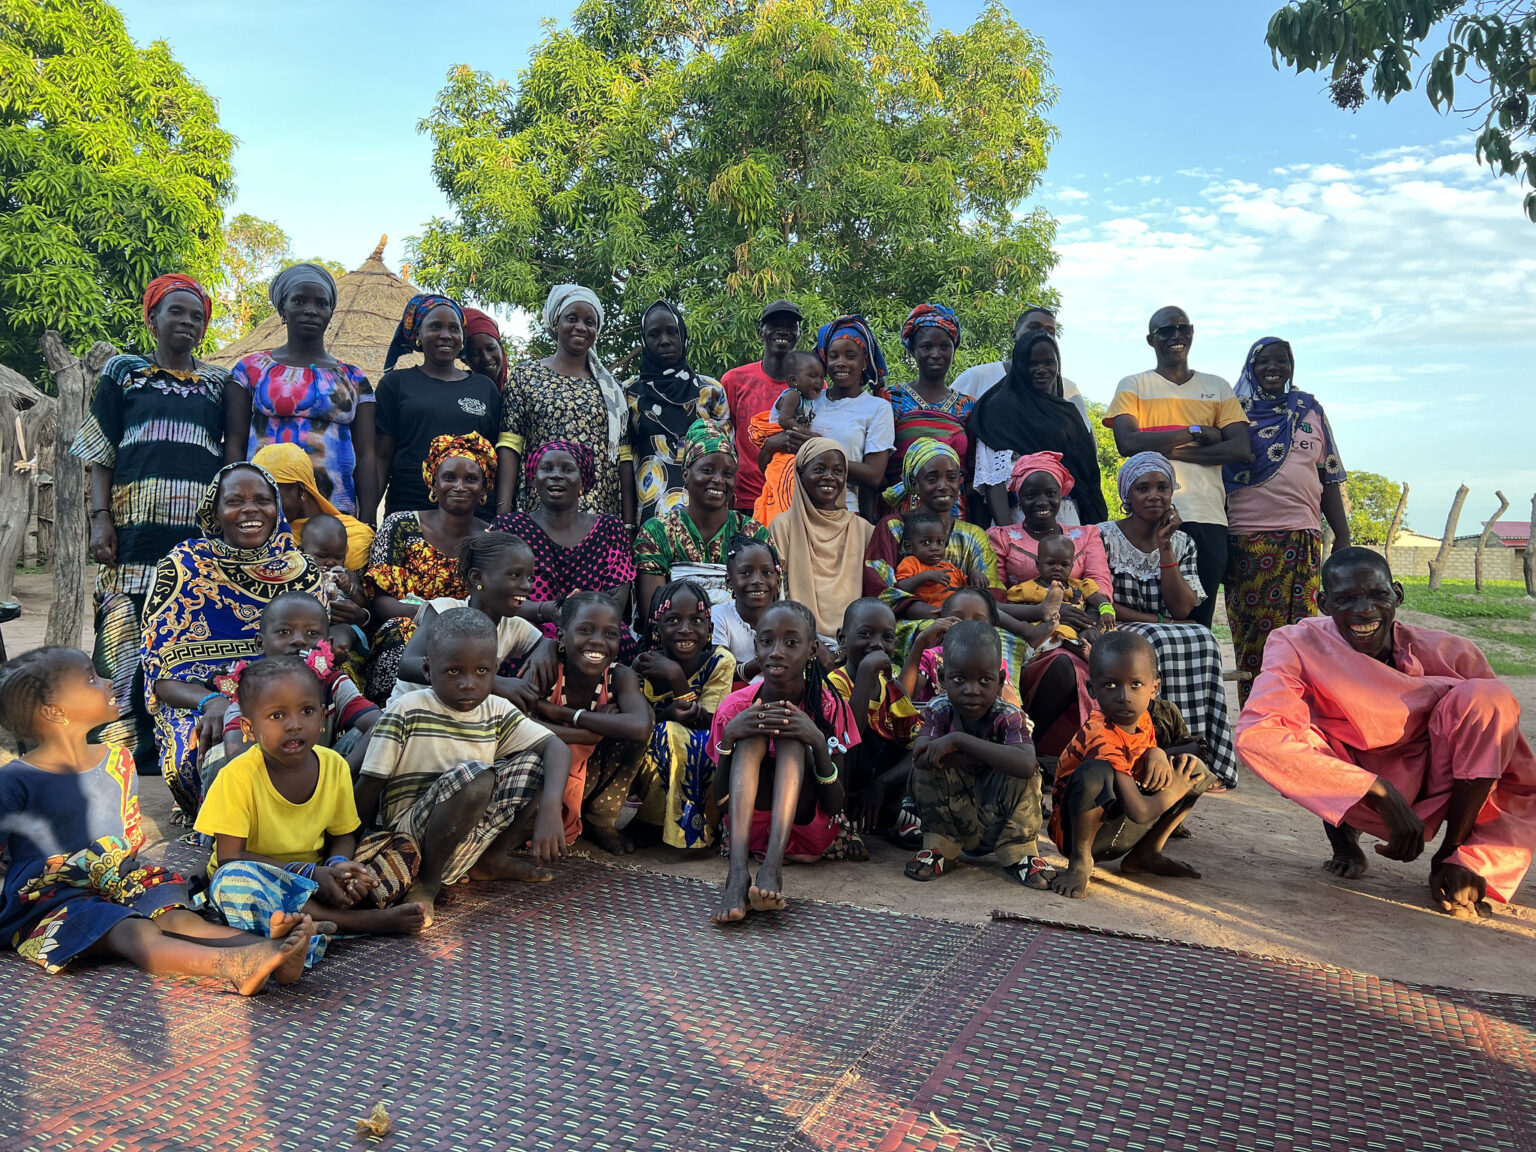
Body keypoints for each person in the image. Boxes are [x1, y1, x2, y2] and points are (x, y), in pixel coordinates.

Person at [1235, 548, 1536, 917]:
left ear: (1398, 594)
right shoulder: (1296, 643)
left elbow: (1503, 758)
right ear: (1323, 602)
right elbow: (1259, 733)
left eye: (1377, 594)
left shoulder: (1454, 652)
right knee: (1290, 728)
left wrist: (1463, 855)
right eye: (1345, 599)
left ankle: (1451, 855)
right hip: (1354, 778)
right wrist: (1376, 790)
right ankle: (1343, 830)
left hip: (1434, 778)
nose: (1363, 610)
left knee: (1490, 699)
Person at [0, 646, 318, 992]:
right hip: (53, 901)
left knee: (176, 915)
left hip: (120, 879)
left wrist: (125, 870)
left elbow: (128, 837)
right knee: (134, 932)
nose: (108, 683)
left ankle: (272, 952)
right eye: (92, 679)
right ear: (55, 711)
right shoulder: (15, 779)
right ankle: (232, 965)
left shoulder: (117, 759)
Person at [72, 273, 231, 762]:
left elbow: (228, 455)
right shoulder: (124, 372)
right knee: (123, 625)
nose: (187, 322)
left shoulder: (218, 383)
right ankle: (118, 742)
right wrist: (101, 518)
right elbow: (101, 450)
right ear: (153, 318)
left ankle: (167, 744)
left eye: (197, 316)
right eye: (176, 312)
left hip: (194, 533)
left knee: (182, 631)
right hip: (133, 527)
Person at [197, 658, 425, 962]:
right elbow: (230, 856)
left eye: (306, 711)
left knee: (403, 846)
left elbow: (344, 834)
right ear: (249, 729)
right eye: (277, 715)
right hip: (265, 876)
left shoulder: (334, 766)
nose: (294, 724)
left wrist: (341, 867)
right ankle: (358, 922)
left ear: (322, 717)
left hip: (322, 873)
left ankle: (317, 919)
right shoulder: (237, 776)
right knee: (233, 882)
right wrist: (309, 875)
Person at [356, 607, 573, 926]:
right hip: (407, 844)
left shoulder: (496, 709)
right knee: (476, 778)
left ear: (495, 668)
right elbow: (368, 788)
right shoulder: (407, 711)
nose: (469, 684)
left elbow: (556, 747)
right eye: (454, 672)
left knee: (538, 761)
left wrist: (551, 808)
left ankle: (491, 859)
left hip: (462, 842)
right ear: (428, 670)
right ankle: (426, 885)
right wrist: (345, 853)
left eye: (482, 671)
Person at [140, 463, 322, 819]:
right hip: (201, 697)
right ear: (216, 512)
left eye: (263, 500)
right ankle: (227, 832)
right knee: (195, 750)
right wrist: (212, 701)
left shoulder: (302, 571)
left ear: (277, 508)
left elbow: (318, 655)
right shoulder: (183, 567)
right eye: (235, 501)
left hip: (289, 694)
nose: (250, 510)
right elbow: (160, 673)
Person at [709, 601, 865, 924]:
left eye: (791, 643)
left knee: (792, 734)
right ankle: (737, 875)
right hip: (748, 832)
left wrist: (817, 742)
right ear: (755, 647)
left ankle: (772, 869)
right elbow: (721, 802)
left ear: (811, 651)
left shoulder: (831, 707)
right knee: (751, 731)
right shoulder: (734, 707)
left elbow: (836, 803)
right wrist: (730, 738)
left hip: (811, 828)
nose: (776, 652)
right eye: (767, 642)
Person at [1223, 337, 1350, 705]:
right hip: (1248, 541)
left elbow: (1327, 474)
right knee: (1255, 636)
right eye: (1264, 362)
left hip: (1303, 538)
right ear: (1251, 367)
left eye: (1282, 361)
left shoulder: (1309, 409)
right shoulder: (1234, 411)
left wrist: (1342, 535)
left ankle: (1298, 716)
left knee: (1304, 633)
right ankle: (1258, 714)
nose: (1273, 368)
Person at [1099, 453, 1240, 788]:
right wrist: (1156, 619)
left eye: (1162, 487)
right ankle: (1158, 749)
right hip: (1117, 628)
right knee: (1156, 639)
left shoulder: (1182, 541)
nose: (1154, 495)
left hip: (1163, 626)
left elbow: (1182, 610)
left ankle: (1197, 757)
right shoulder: (1103, 536)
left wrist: (1165, 549)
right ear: (1126, 496)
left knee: (1203, 637)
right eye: (1143, 488)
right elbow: (1104, 602)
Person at [1106, 306, 1250, 628]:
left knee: (1198, 621)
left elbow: (1240, 447)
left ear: (1192, 332)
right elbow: (1127, 443)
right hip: (1150, 520)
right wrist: (1195, 432)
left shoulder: (1218, 387)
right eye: (1165, 331)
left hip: (1208, 516)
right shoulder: (1134, 385)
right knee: (1151, 619)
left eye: (1181, 328)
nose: (1175, 336)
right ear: (1150, 339)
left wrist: (1172, 451)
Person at [1048, 630, 1213, 900]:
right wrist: (1174, 789)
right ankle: (1080, 862)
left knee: (1192, 768)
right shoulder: (1100, 734)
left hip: (1120, 821)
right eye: (1111, 685)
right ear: (1092, 689)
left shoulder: (1143, 717)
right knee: (1094, 772)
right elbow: (1139, 812)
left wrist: (1156, 751)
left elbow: (1142, 752)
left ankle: (1146, 854)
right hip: (1080, 831)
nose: (1124, 696)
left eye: (1135, 685)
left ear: (1153, 688)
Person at [904, 621, 1053, 887]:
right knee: (922, 768)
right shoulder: (940, 709)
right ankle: (939, 846)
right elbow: (921, 755)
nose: (972, 690)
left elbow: (1025, 764)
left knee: (1029, 774)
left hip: (1001, 818)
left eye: (985, 680)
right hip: (953, 816)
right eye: (959, 679)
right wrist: (987, 756)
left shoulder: (1009, 716)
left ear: (999, 681)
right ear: (942, 677)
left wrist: (958, 740)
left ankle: (1020, 852)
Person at [228, 263, 378, 519]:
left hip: (334, 512)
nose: (311, 310)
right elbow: (234, 443)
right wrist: (233, 503)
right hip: (262, 510)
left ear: (331, 312)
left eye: (321, 304)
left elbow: (366, 454)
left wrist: (368, 520)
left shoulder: (354, 377)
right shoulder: (251, 368)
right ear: (282, 309)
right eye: (299, 301)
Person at [986, 452, 1111, 757]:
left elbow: (1099, 585)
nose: (1041, 501)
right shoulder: (1000, 537)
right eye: (1030, 494)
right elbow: (994, 601)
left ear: (1062, 494)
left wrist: (1090, 625)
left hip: (1084, 627)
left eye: (1050, 493)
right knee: (1065, 666)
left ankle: (1107, 749)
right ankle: (1032, 743)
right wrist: (1046, 613)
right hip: (1025, 628)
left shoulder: (1086, 535)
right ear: (1018, 495)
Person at [363, 434, 494, 702]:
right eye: (449, 478)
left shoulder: (492, 540)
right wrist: (438, 618)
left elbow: (494, 600)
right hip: (409, 626)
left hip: (472, 635)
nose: (459, 486)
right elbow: (381, 602)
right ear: (433, 482)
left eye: (471, 479)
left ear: (484, 488)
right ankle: (391, 713)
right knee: (400, 631)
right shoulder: (401, 525)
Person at [527, 593, 652, 854]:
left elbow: (640, 725)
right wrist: (587, 735)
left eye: (610, 634)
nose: (597, 641)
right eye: (585, 630)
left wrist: (567, 715)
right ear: (561, 636)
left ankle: (601, 821)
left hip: (589, 779)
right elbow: (518, 724)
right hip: (544, 782)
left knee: (644, 717)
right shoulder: (547, 670)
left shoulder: (619, 676)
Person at [497, 284, 632, 523]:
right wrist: (504, 512)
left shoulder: (612, 389)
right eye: (572, 318)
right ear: (555, 323)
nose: (581, 327)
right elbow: (510, 446)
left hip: (597, 511)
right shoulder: (526, 376)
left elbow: (623, 457)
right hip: (539, 508)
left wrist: (628, 523)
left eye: (590, 322)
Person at [387, 532, 554, 711]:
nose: (527, 586)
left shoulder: (514, 626)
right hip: (410, 715)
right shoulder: (445, 609)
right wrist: (495, 683)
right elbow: (407, 664)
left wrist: (548, 644)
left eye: (530, 577)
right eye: (515, 575)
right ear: (477, 577)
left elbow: (552, 645)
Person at [215, 592, 380, 773]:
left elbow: (378, 723)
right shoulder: (250, 689)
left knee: (373, 733)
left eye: (312, 633)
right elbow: (239, 756)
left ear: (328, 644)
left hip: (323, 777)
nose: (299, 640)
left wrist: (340, 778)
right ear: (260, 643)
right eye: (284, 632)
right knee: (217, 758)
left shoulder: (332, 682)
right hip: (264, 784)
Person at [375, 293, 506, 518]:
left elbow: (497, 458)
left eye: (454, 329)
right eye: (436, 326)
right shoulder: (395, 384)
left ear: (462, 337)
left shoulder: (484, 388)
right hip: (411, 511)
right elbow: (381, 456)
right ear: (418, 334)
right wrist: (367, 515)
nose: (446, 335)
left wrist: (501, 513)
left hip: (475, 517)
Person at [631, 580, 737, 848]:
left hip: (707, 756)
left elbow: (709, 721)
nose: (685, 630)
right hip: (656, 758)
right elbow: (636, 718)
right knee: (663, 733)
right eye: (673, 620)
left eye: (696, 620)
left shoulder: (720, 661)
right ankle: (652, 821)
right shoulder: (644, 665)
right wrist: (667, 713)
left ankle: (698, 825)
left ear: (710, 629)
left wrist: (677, 678)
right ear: (656, 628)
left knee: (688, 738)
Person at [494, 440, 636, 636]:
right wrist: (546, 611)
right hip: (526, 632)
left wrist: (576, 624)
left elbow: (614, 604)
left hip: (594, 631)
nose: (556, 475)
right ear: (533, 479)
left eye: (568, 469)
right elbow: (497, 596)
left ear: (582, 480)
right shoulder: (510, 527)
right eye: (546, 468)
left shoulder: (610, 529)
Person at [634, 420, 769, 627]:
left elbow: (766, 611)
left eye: (728, 474)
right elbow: (653, 618)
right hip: (676, 646)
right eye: (707, 470)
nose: (718, 480)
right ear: (685, 475)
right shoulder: (658, 533)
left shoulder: (753, 533)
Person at [970, 329, 1107, 529]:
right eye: (1033, 363)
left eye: (1049, 362)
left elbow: (1087, 479)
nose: (1042, 369)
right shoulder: (998, 410)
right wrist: (1011, 539)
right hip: (1017, 521)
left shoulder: (1067, 414)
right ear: (1019, 365)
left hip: (1068, 520)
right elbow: (994, 482)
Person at [865, 439, 1003, 623]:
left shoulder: (974, 535)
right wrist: (941, 616)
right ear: (914, 484)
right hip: (914, 622)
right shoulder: (893, 527)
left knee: (1006, 645)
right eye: (932, 479)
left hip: (971, 620)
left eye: (951, 478)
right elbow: (881, 589)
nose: (943, 485)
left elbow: (991, 590)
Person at [626, 300, 730, 524]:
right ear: (644, 340)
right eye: (654, 334)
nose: (665, 341)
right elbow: (624, 459)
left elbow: (728, 458)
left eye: (672, 332)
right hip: (650, 514)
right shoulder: (630, 394)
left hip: (705, 514)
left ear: (683, 335)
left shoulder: (710, 390)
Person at [827, 599, 922, 841]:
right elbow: (847, 737)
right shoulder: (832, 684)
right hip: (845, 785)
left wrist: (881, 783)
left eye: (887, 637)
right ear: (842, 639)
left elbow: (919, 744)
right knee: (849, 744)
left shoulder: (891, 689)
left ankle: (890, 815)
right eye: (866, 634)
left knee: (921, 744)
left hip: (876, 786)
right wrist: (867, 671)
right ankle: (843, 822)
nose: (877, 644)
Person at [768, 439, 873, 649]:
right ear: (800, 474)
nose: (829, 477)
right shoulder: (783, 525)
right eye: (819, 469)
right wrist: (809, 640)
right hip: (797, 640)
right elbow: (777, 592)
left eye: (838, 471)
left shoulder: (864, 530)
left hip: (853, 644)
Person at [721, 300, 806, 516]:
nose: (783, 330)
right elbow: (724, 442)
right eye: (775, 324)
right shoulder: (734, 380)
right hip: (745, 502)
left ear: (799, 334)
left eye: (791, 325)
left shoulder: (813, 386)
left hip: (794, 499)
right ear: (761, 333)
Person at [810, 315, 894, 520]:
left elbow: (874, 475)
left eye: (850, 356)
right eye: (834, 356)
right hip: (802, 507)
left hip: (846, 512)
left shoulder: (877, 408)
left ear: (864, 361)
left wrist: (816, 448)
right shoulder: (810, 400)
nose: (841, 363)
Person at [884, 304, 973, 490]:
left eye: (944, 347)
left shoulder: (967, 405)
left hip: (954, 510)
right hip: (903, 508)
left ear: (953, 350)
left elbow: (974, 471)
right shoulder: (892, 398)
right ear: (912, 351)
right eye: (926, 346)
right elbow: (878, 464)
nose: (936, 354)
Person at [251, 442, 375, 571]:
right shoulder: (263, 538)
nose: (262, 509)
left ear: (300, 490)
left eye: (269, 498)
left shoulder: (358, 536)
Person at [749, 350, 825, 526]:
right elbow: (784, 420)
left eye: (821, 377)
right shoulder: (793, 395)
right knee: (781, 486)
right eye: (812, 376)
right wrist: (810, 436)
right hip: (781, 447)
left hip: (792, 445)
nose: (819, 382)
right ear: (793, 380)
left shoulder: (809, 399)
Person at [1006, 531, 1113, 647]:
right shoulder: (1027, 589)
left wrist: (1106, 608)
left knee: (1108, 632)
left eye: (1064, 565)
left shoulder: (1079, 585)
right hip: (1053, 629)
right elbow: (1016, 609)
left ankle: (1097, 650)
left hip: (1083, 627)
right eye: (1051, 563)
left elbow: (1096, 598)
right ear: (1038, 564)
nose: (1057, 568)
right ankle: (1081, 651)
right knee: (1059, 633)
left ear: (1071, 567)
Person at [714, 536, 781, 678]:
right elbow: (719, 669)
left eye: (766, 572)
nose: (757, 580)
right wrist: (762, 663)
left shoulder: (790, 617)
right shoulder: (719, 616)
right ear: (729, 581)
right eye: (745, 573)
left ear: (777, 578)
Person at [893, 510, 967, 613]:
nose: (934, 548)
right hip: (933, 610)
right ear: (909, 547)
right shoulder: (911, 562)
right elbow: (900, 588)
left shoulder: (948, 567)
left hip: (959, 606)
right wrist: (925, 576)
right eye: (926, 543)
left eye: (939, 542)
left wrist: (974, 575)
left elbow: (966, 584)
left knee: (991, 605)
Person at [461, 307, 508, 388]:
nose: (486, 358)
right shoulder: (463, 393)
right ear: (465, 359)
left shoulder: (518, 386)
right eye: (475, 354)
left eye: (491, 348)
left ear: (500, 345)